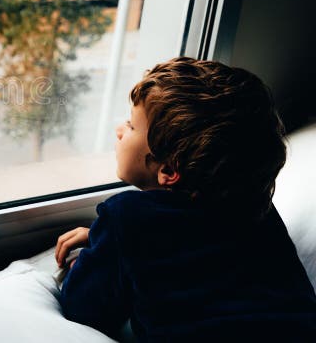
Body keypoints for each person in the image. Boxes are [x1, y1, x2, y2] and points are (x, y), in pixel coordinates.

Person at [55, 57, 316, 341]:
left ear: (168, 170)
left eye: (131, 126)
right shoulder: (259, 209)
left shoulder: (125, 217)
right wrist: (107, 241)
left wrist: (98, 253)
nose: (119, 131)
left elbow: (82, 307)